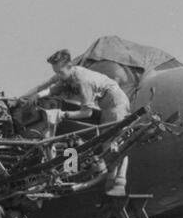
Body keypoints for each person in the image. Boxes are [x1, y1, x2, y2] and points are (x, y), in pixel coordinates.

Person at [21, 49, 132, 194]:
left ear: (69, 66)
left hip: (115, 104)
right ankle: (112, 183)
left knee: (113, 143)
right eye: (56, 72)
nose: (58, 75)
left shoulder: (83, 80)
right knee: (111, 143)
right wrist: (36, 95)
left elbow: (87, 112)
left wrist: (63, 114)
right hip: (108, 104)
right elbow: (56, 87)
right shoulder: (72, 73)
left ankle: (117, 183)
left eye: (60, 72)